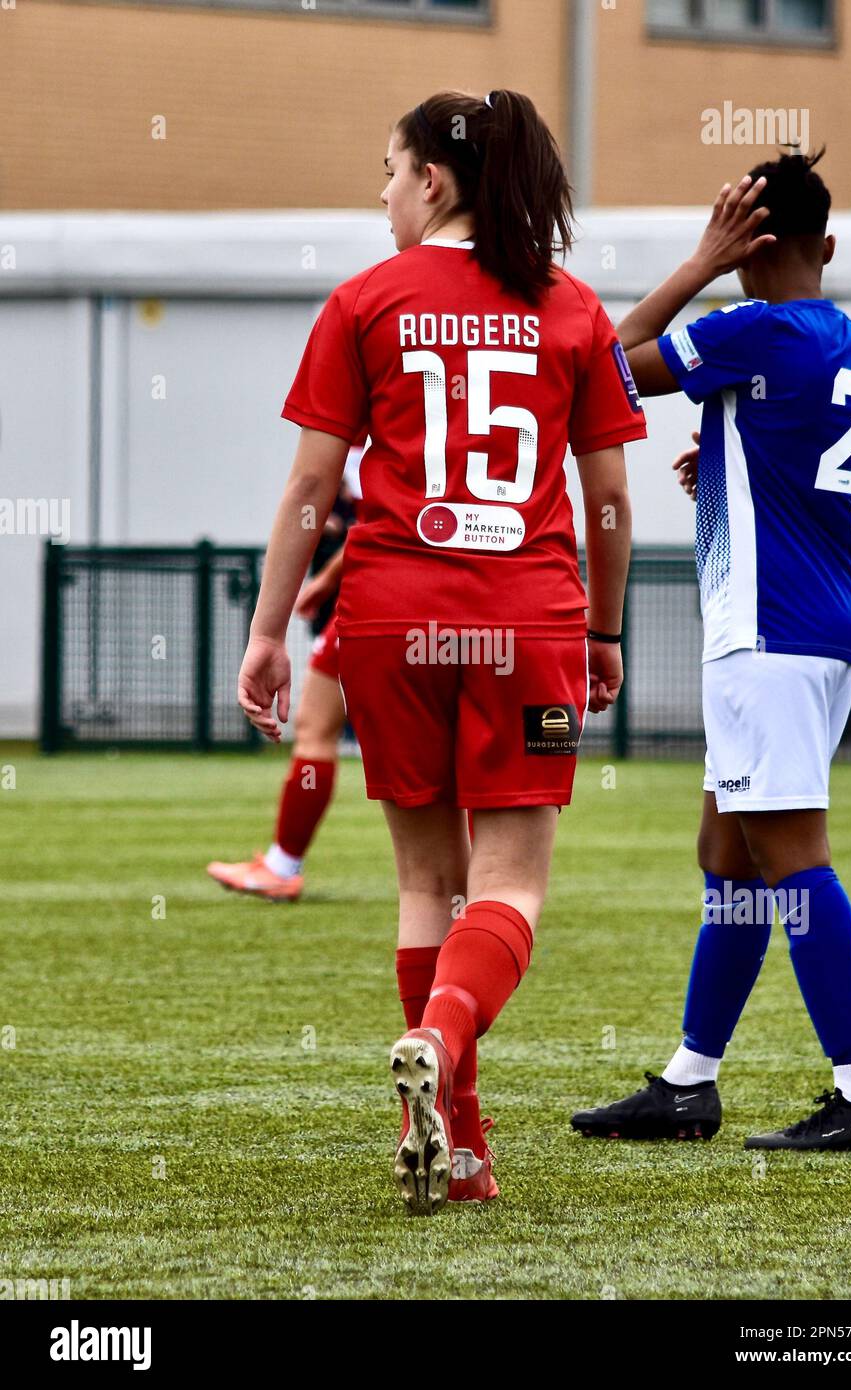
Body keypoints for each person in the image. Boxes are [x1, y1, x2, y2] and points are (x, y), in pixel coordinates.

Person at [237, 89, 646, 1213]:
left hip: (388, 617)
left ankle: (461, 1149)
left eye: (386, 172)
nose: (379, 195)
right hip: (526, 624)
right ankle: (442, 1039)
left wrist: (270, 631)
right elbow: (608, 499)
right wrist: (602, 631)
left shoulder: (363, 300)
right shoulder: (570, 308)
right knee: (507, 887)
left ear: (434, 181)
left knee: (427, 885)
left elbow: (311, 486)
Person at [572, 152, 851, 1152]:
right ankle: (687, 1084)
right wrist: (734, 460)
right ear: (827, 245)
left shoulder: (746, 327)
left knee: (790, 860)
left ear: (745, 247)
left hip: (766, 632)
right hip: (819, 626)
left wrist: (697, 263)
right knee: (727, 853)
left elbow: (600, 364)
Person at [206, 449, 365, 903]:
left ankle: (283, 865)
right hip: (480, 594)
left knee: (315, 728)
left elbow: (373, 524)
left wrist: (321, 583)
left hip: (384, 595)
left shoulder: (378, 428)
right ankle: (482, 885)